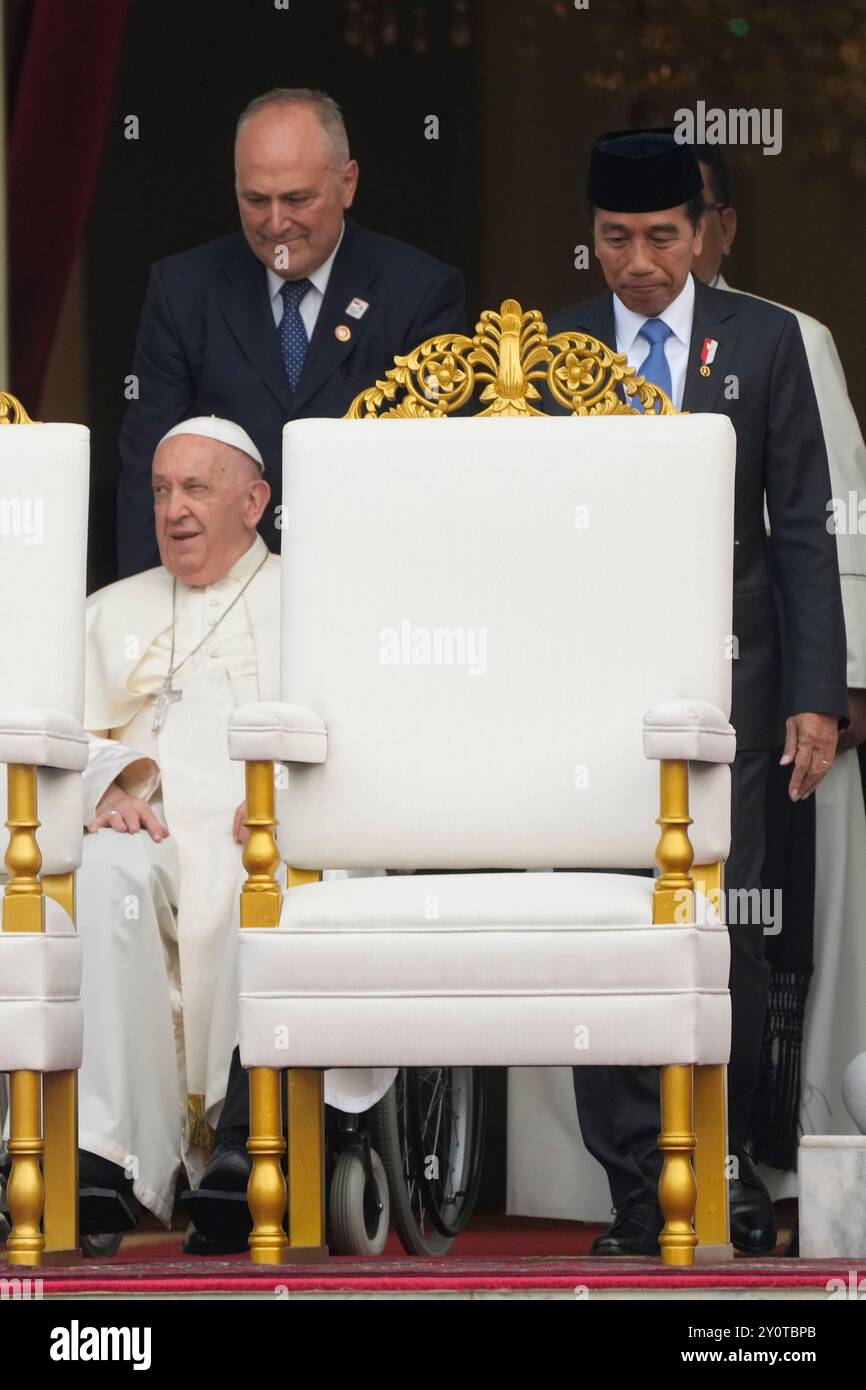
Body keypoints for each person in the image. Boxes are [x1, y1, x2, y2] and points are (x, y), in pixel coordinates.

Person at [535, 129, 847, 1258]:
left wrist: (815, 693)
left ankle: (725, 1167)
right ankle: (636, 1187)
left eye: (660, 236)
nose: (638, 261)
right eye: (614, 238)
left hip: (739, 683)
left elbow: (802, 527)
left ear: (701, 232)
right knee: (609, 935)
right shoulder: (547, 351)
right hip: (593, 695)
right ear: (591, 237)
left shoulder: (761, 343)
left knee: (734, 931)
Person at [76, 416, 388, 1252]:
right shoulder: (111, 612)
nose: (173, 509)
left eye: (196, 489)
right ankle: (107, 1155)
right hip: (161, 839)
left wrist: (299, 797)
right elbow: (53, 736)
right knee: (105, 869)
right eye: (160, 490)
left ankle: (253, 1140)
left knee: (282, 873)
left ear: (255, 502)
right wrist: (108, 789)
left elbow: (370, 735)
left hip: (275, 836)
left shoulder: (319, 601)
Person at [692, 146, 866, 1193]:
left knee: (768, 922)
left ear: (721, 226)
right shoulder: (573, 344)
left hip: (769, 686)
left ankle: (773, 1150)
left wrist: (838, 676)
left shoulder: (785, 337)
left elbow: (828, 517)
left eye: (683, 217)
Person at [117, 87, 467, 576]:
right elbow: (147, 465)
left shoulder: (420, 293)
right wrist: (148, 613)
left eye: (297, 199)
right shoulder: (183, 291)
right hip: (216, 598)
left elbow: (438, 474)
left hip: (368, 582)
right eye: (256, 200)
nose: (276, 223)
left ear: (347, 184)